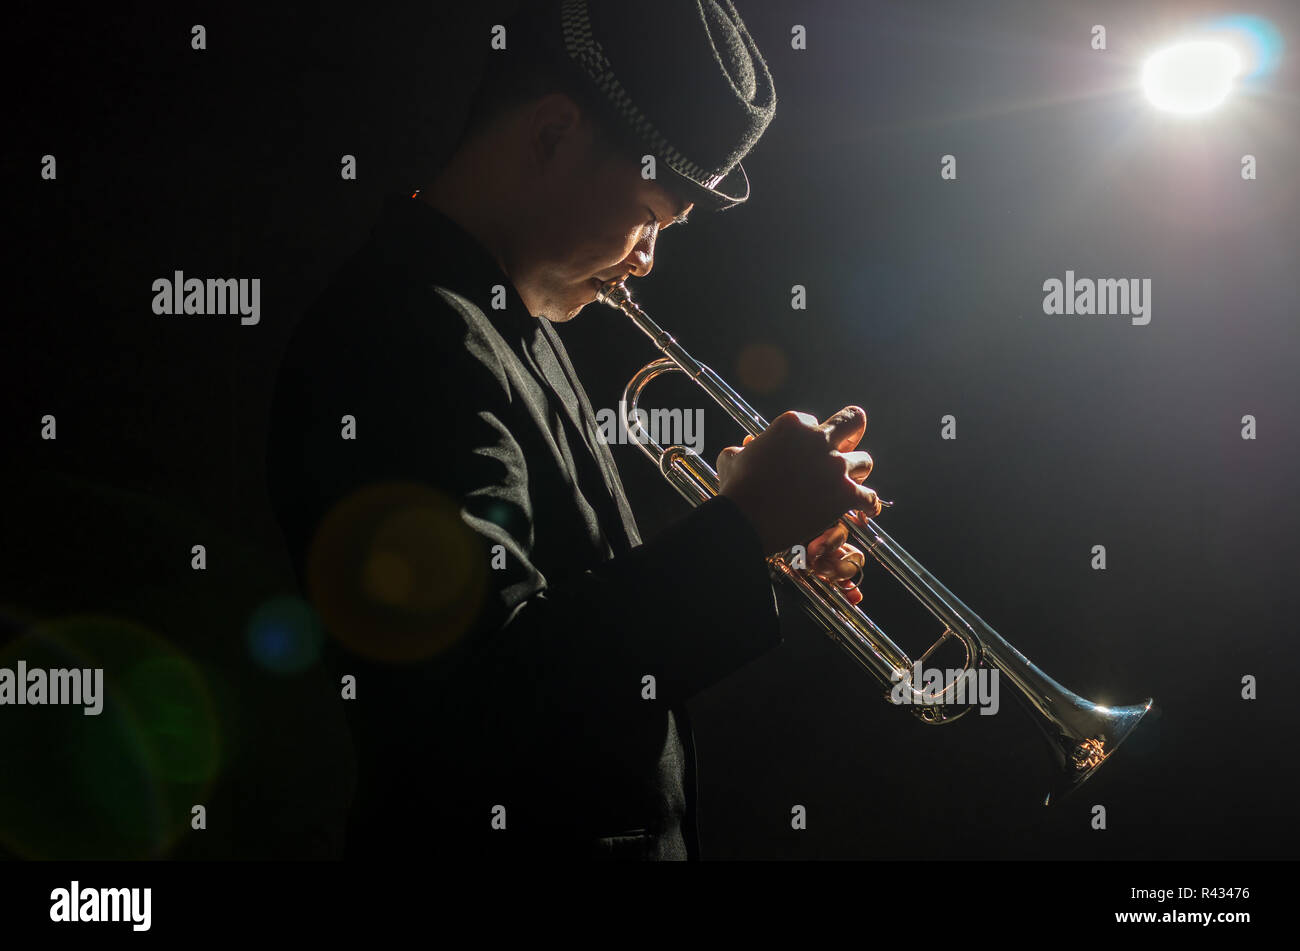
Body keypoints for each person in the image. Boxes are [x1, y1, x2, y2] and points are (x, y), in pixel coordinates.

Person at [265, 0, 881, 861]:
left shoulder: (502, 322)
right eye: (652, 217)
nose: (646, 259)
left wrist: (749, 536)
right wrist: (736, 531)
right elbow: (482, 696)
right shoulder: (405, 334)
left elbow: (573, 615)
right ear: (553, 133)